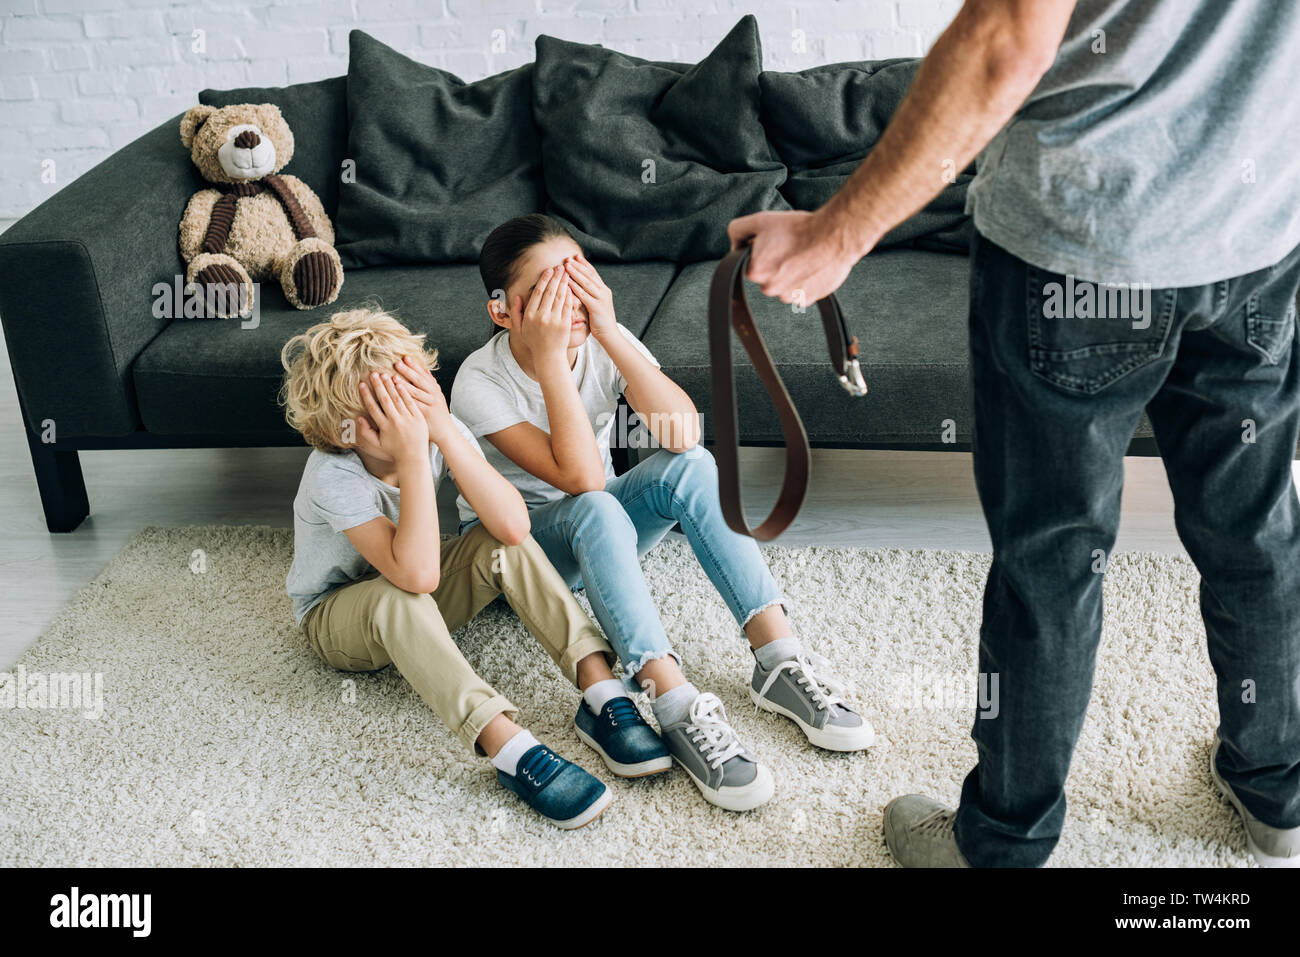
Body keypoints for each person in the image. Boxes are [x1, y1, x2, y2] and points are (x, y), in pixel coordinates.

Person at [730, 0, 1300, 866]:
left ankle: (1002, 843)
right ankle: (1280, 793)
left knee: (1052, 559)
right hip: (1257, 236)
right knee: (1258, 529)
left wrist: (835, 236)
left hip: (1082, 248)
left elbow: (1005, 37)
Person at [450, 214, 875, 812]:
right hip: (520, 559)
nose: (568, 300)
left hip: (601, 534)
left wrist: (612, 331)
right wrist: (550, 358)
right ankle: (672, 703)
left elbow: (681, 431)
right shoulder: (478, 380)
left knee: (693, 465)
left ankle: (777, 659)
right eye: (547, 290)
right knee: (595, 500)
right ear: (504, 312)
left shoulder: (597, 338)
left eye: (579, 279)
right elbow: (582, 479)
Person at [281, 307, 645, 830]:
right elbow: (418, 578)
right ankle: (509, 748)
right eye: (388, 407)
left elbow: (514, 527)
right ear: (345, 432)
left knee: (497, 540)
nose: (410, 415)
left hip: (415, 583)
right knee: (395, 596)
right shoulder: (333, 475)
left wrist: (447, 435)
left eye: (414, 390)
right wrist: (411, 458)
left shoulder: (435, 432)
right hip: (339, 618)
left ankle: (600, 689)